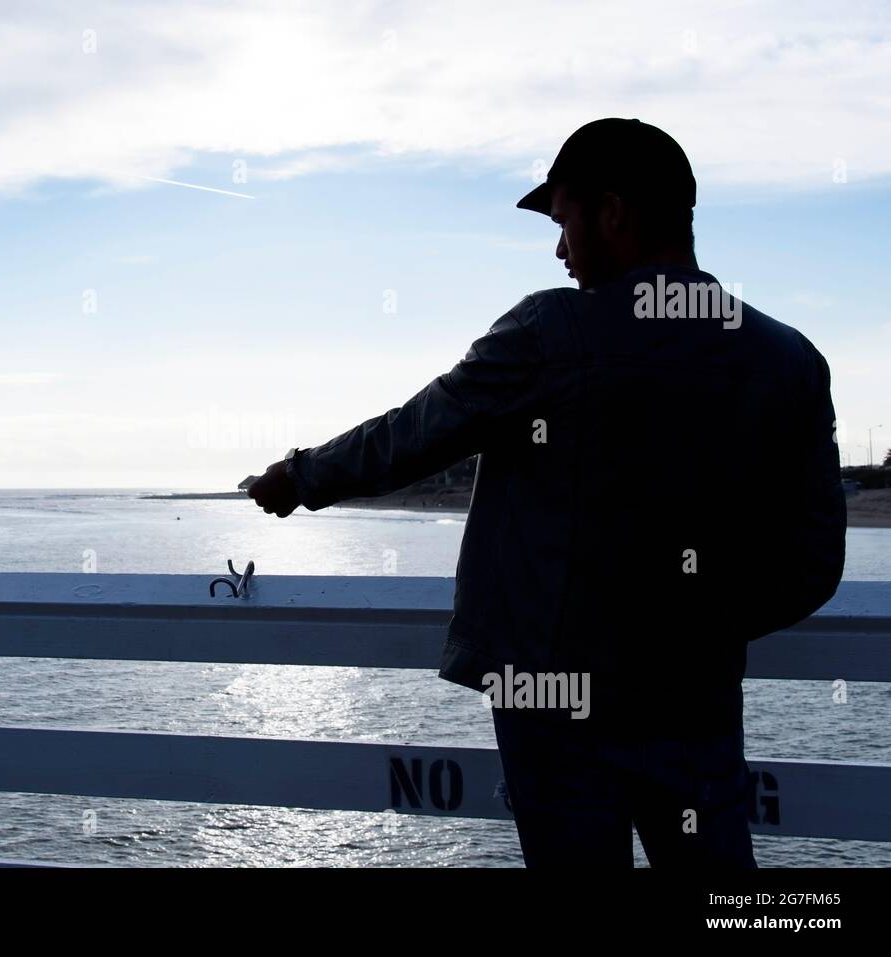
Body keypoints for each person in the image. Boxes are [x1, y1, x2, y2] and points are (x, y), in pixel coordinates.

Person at [245, 118, 846, 867]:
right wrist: (704, 625)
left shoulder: (555, 331)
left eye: (564, 222)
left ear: (614, 213)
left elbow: (415, 433)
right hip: (696, 697)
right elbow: (815, 559)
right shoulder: (789, 359)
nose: (560, 251)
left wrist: (299, 477)